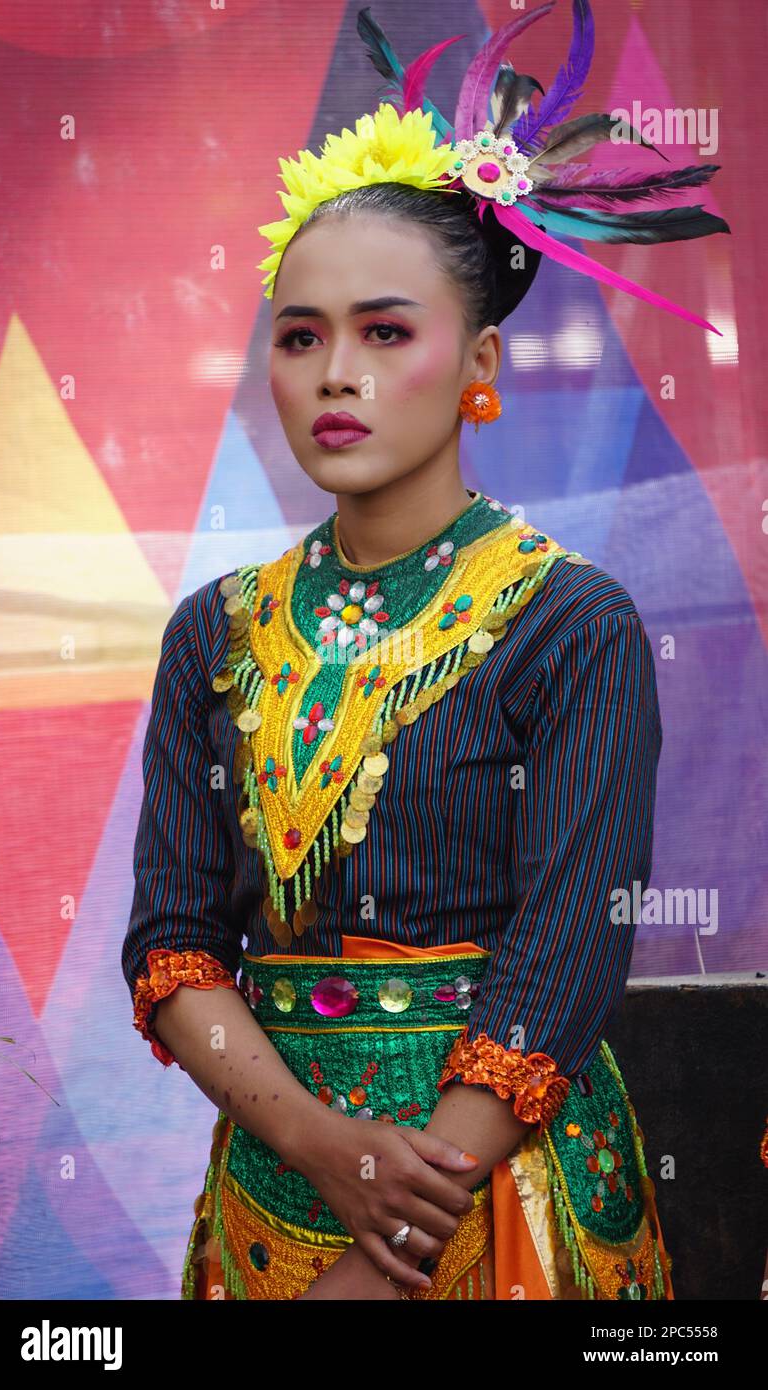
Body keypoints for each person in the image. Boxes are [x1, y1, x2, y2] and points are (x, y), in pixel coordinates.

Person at [122, 2, 729, 1300]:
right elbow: (172, 944)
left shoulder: (569, 621)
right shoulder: (212, 631)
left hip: (491, 1197)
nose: (334, 373)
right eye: (300, 336)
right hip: (272, 1192)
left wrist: (389, 1239)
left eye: (385, 331)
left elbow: (566, 947)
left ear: (479, 362)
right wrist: (321, 1146)